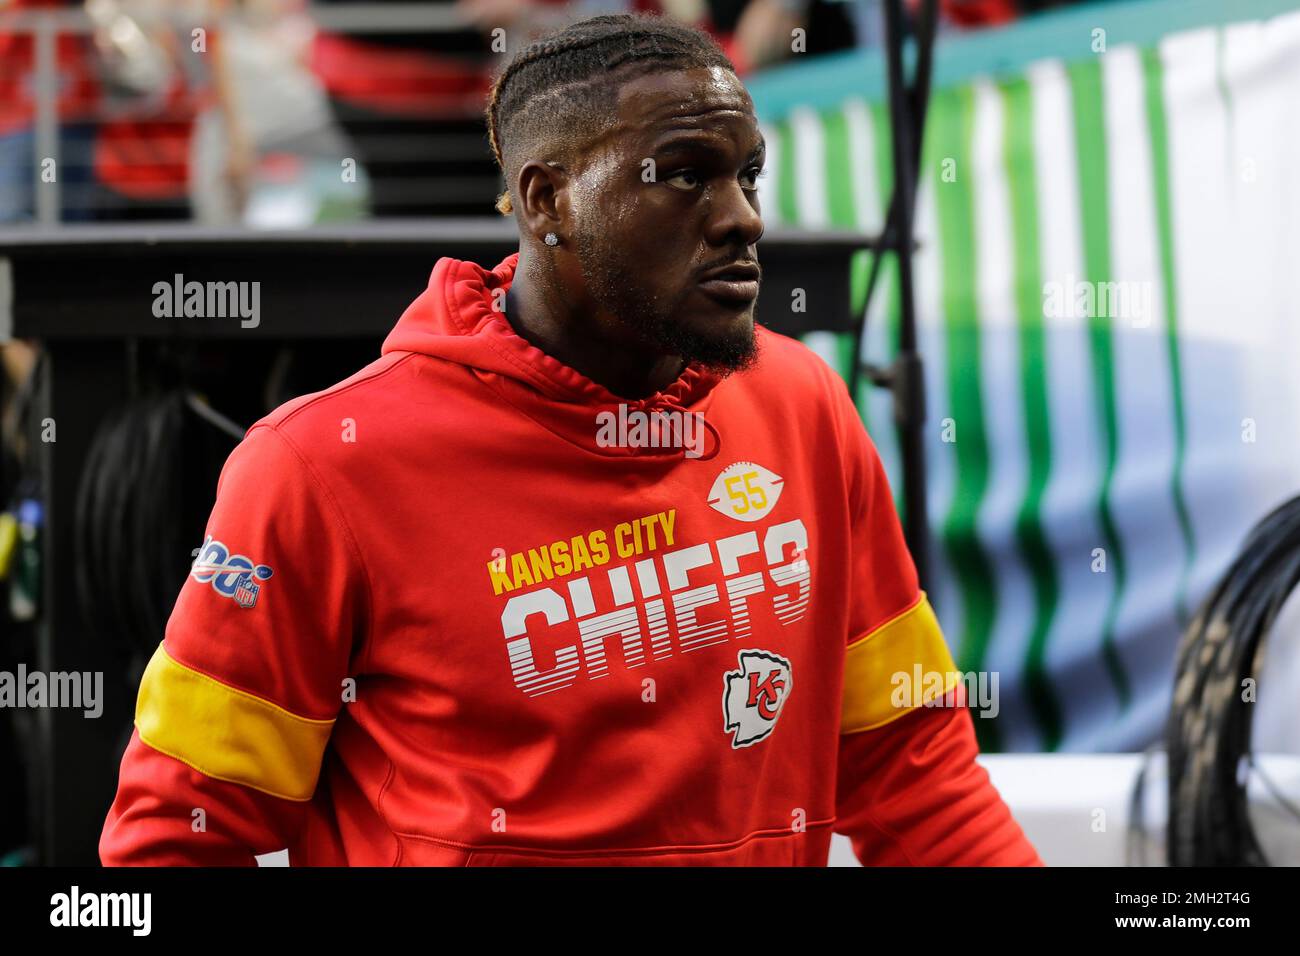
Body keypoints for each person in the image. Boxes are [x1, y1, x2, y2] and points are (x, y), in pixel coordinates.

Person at [99, 13, 1042, 866]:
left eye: (747, 173)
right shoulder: (319, 465)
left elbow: (916, 777)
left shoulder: (802, 403)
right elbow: (175, 839)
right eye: (685, 176)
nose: (743, 217)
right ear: (547, 200)